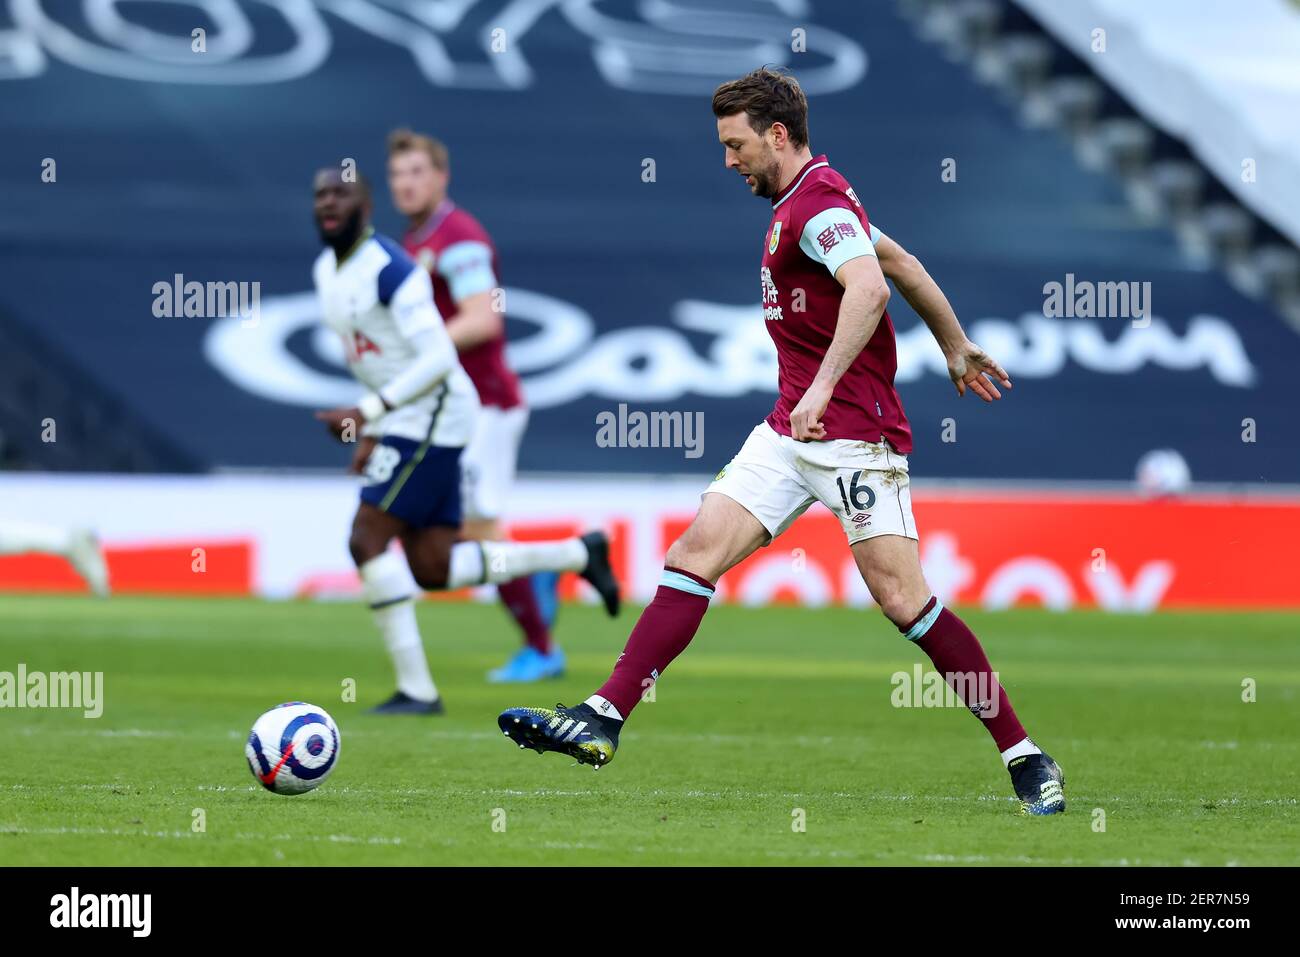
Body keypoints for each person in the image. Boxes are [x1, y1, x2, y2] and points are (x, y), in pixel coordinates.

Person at [496, 68, 1065, 816]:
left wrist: (827, 385)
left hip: (853, 434)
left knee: (904, 600)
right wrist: (954, 344)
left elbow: (869, 287)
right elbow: (904, 264)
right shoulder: (816, 197)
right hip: (788, 430)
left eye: (736, 146)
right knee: (694, 552)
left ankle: (1026, 755)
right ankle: (604, 716)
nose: (729, 161)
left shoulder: (819, 203)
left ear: (776, 135)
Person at [309, 166, 619, 715]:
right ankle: (577, 553)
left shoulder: (391, 270)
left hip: (436, 415)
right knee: (434, 566)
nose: (328, 202)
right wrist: (372, 427)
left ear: (365, 205)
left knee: (366, 537)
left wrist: (370, 412)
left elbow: (437, 357)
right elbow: (368, 357)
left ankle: (418, 691)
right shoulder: (326, 272)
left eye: (341, 193)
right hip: (404, 418)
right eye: (320, 195)